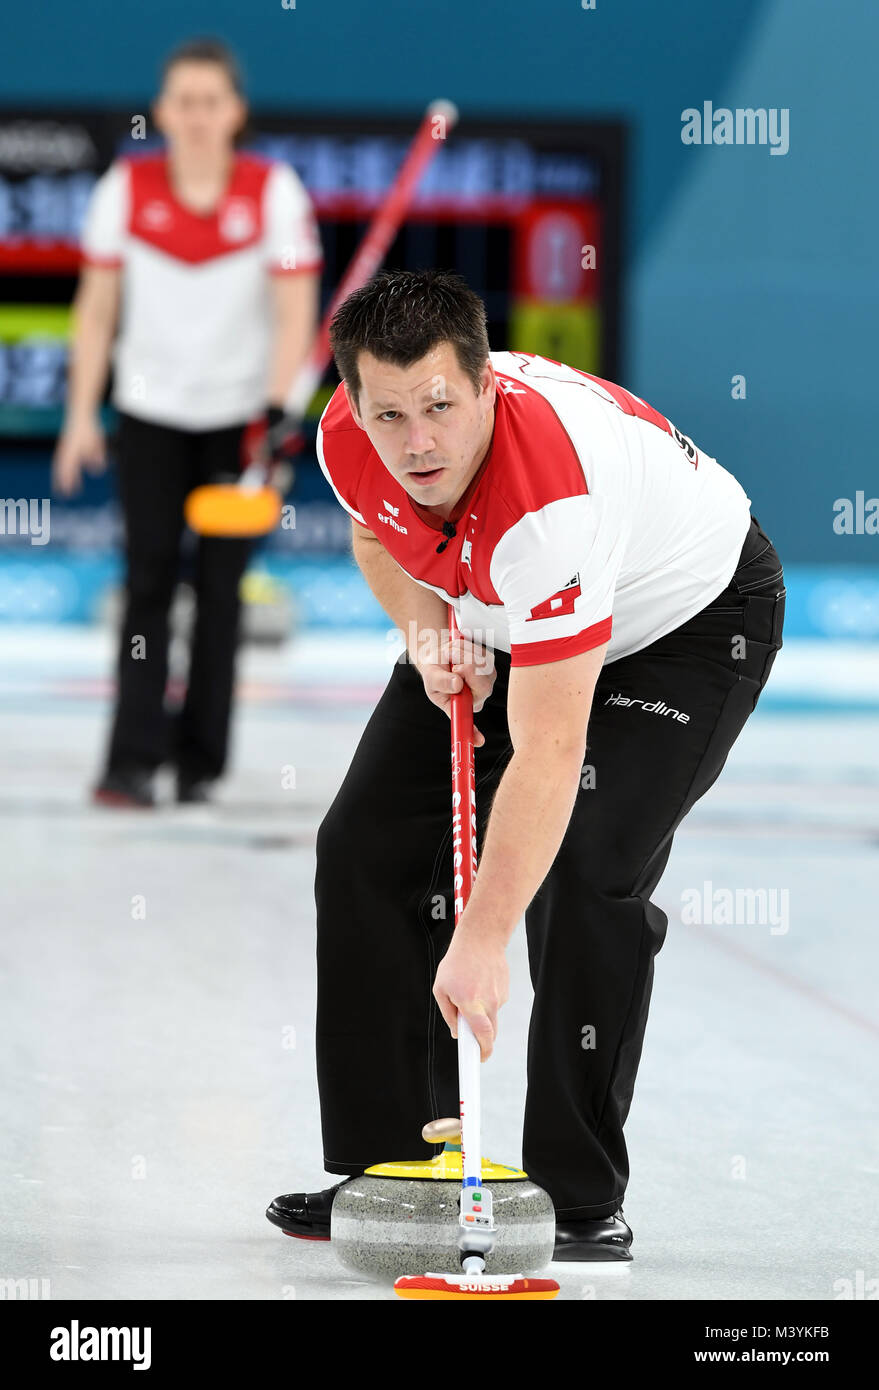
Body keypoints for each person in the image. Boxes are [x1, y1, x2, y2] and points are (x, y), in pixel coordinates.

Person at [266, 269, 785, 1261]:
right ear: (355, 402)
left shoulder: (551, 505)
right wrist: (428, 636)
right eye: (391, 413)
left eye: (440, 408)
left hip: (682, 622)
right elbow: (382, 535)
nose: (416, 440)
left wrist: (482, 936)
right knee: (366, 842)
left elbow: (548, 752)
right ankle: (394, 1164)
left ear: (486, 387)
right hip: (494, 607)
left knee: (586, 870)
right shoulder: (348, 434)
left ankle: (579, 1196)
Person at [53, 38, 322, 806]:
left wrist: (275, 415)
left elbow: (294, 308)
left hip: (238, 419)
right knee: (145, 584)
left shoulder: (273, 191)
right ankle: (129, 762)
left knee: (221, 590)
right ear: (163, 110)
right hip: (148, 413)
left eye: (212, 101)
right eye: (184, 101)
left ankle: (200, 761)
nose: (198, 116)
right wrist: (81, 416)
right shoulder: (125, 190)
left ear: (234, 112)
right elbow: (96, 308)